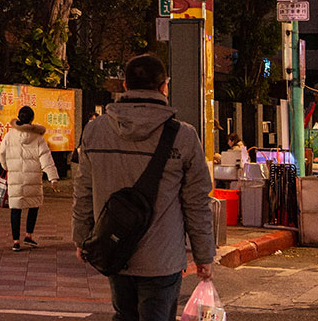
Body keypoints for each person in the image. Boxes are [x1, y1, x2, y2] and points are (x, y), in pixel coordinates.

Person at [72, 54, 215, 321]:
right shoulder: (183, 136)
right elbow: (197, 202)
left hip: (114, 250)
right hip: (163, 259)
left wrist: (82, 238)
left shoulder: (95, 131)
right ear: (164, 87)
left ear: (125, 86)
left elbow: (84, 191)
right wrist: (204, 255)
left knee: (124, 314)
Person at [0, 105, 59, 251]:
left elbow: (2, 153)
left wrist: (7, 167)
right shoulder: (38, 137)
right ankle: (29, 235)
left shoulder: (9, 135)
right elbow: (46, 158)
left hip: (15, 177)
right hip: (33, 178)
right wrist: (53, 178)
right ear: (32, 119)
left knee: (16, 208)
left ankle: (15, 241)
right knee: (34, 205)